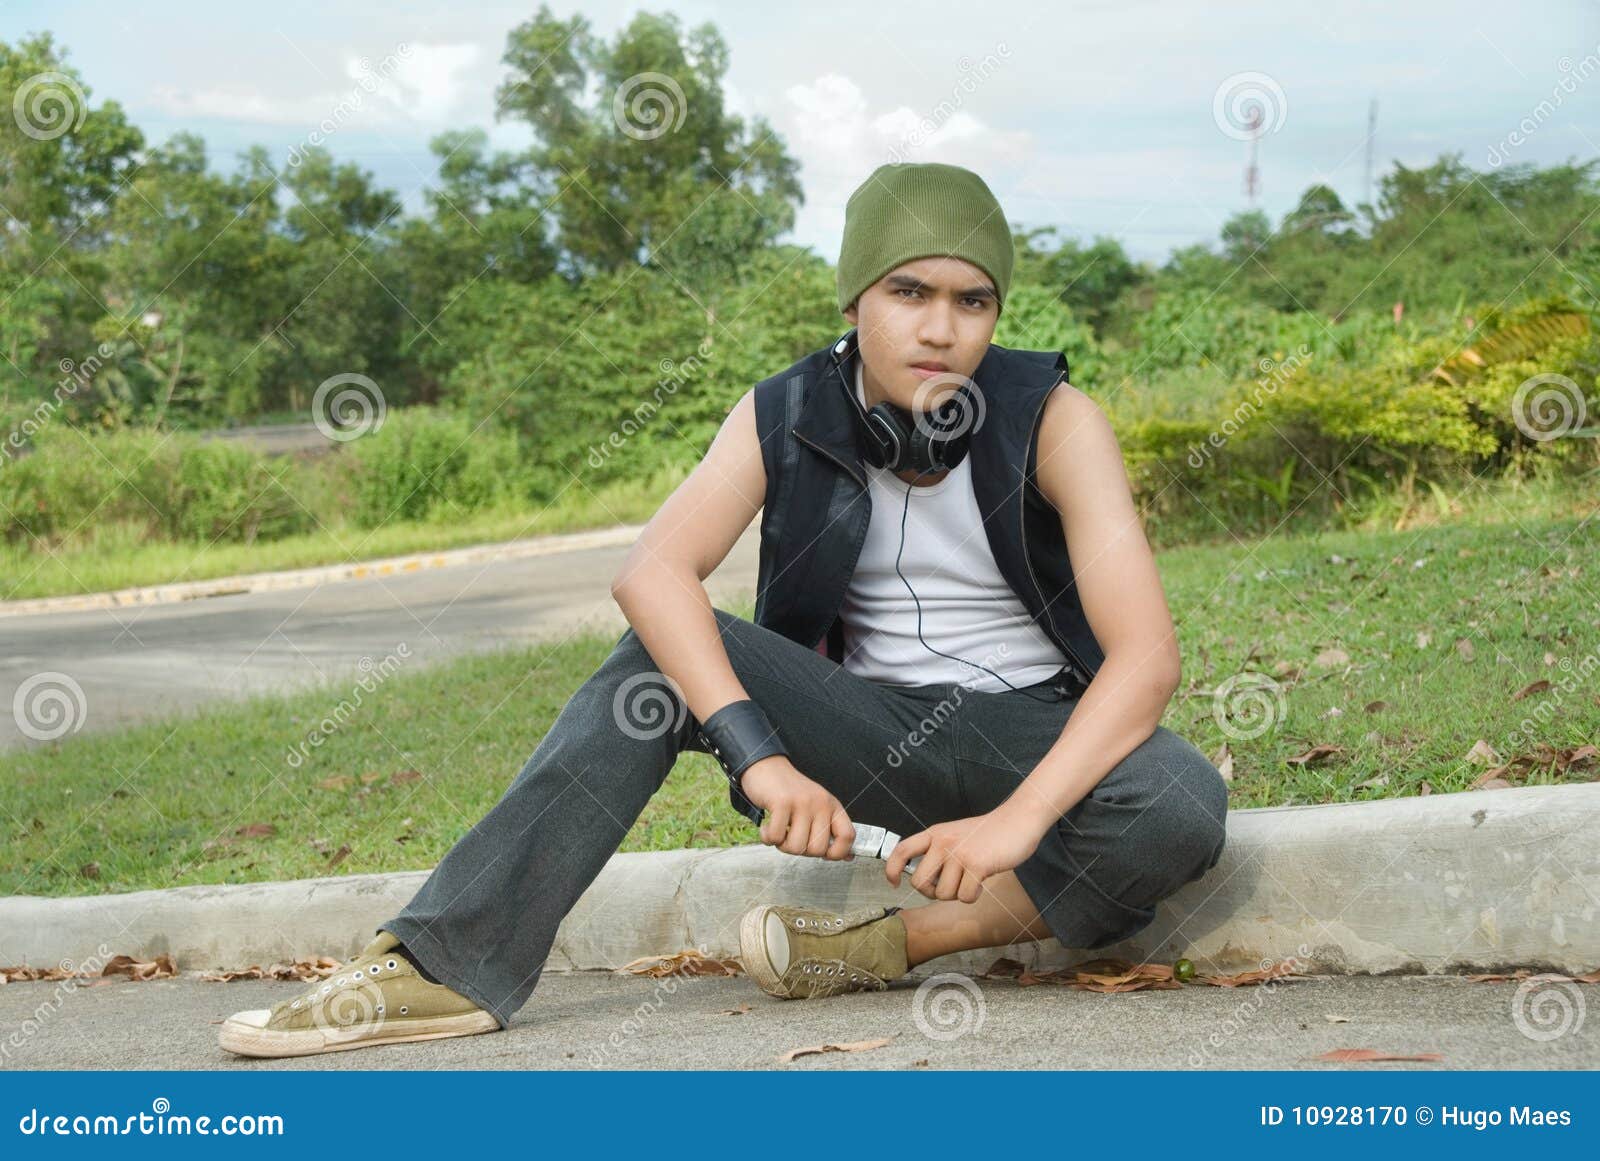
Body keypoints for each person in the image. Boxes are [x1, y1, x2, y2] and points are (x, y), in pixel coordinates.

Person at [218, 161, 1229, 1059]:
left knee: (1179, 806)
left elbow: (1143, 659)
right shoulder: (783, 412)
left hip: (1030, 733)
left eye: (971, 300)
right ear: (854, 300)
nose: (939, 327)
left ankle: (883, 944)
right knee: (652, 657)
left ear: (996, 316)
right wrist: (760, 751)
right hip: (866, 729)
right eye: (906, 290)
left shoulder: (1051, 417)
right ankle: (441, 965)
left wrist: (1016, 822)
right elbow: (652, 572)